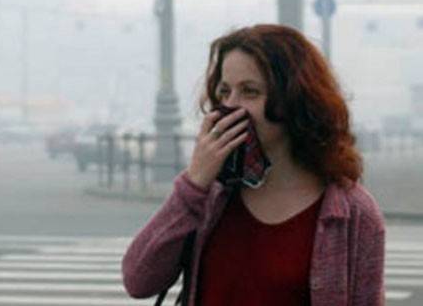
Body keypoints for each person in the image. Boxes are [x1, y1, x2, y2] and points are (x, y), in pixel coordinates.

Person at [122, 24, 385, 306]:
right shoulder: (210, 196)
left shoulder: (352, 213)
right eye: (224, 92)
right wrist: (194, 183)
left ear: (293, 100)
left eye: (249, 92)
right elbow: (138, 280)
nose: (231, 106)